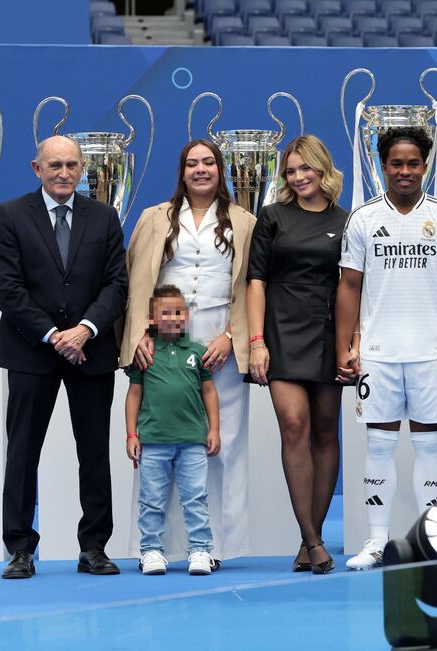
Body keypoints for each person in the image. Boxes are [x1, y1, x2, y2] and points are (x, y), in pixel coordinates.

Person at [0, 135, 128, 579]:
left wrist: (85, 329)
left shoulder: (105, 217)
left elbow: (117, 285)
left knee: (94, 451)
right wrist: (54, 335)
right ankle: (19, 549)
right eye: (55, 165)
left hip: (91, 351)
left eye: (71, 165)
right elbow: (8, 290)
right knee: (22, 452)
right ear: (37, 168)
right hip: (31, 350)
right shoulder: (10, 215)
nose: (64, 173)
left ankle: (94, 547)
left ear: (82, 168)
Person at [336, 127, 437, 571]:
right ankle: (377, 541)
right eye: (397, 163)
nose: (405, 171)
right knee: (378, 448)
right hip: (378, 354)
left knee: (430, 448)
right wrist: (344, 347)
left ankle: (432, 540)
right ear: (383, 166)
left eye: (413, 163)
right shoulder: (363, 218)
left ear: (425, 166)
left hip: (433, 354)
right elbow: (349, 285)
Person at [122, 139, 257, 565]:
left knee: (222, 441)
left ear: (220, 169)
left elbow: (252, 286)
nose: (201, 169)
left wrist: (232, 336)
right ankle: (155, 546)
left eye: (209, 162)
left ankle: (214, 546)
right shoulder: (155, 218)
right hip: (164, 335)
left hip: (222, 336)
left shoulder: (244, 220)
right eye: (192, 163)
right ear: (181, 171)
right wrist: (141, 333)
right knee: (159, 439)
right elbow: (135, 278)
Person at [246, 135, 349, 574]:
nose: (298, 177)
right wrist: (257, 342)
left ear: (323, 169)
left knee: (325, 432)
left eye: (305, 168)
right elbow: (256, 282)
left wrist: (351, 343)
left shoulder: (347, 220)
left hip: (327, 332)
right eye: (290, 171)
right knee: (294, 425)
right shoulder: (272, 216)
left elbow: (352, 286)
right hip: (281, 332)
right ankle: (312, 539)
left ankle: (312, 538)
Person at [125, 285, 221, 576]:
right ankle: (151, 550)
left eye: (178, 312)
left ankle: (201, 549)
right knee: (151, 500)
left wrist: (214, 429)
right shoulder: (144, 354)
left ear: (187, 316)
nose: (173, 317)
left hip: (192, 441)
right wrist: (131, 434)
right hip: (153, 441)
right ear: (152, 319)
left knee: (195, 498)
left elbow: (208, 391)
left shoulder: (197, 352)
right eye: (165, 313)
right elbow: (134, 395)